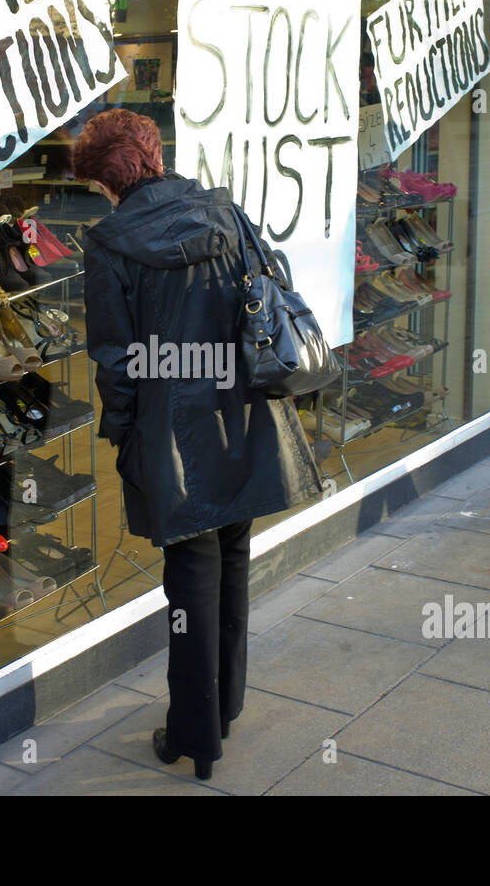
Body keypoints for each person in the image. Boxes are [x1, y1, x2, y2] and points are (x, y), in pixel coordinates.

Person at [72, 109, 322, 779]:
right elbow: (267, 296)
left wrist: (122, 433)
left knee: (189, 579)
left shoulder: (108, 244)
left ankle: (194, 734)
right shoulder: (225, 212)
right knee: (233, 559)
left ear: (106, 179)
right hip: (239, 413)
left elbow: (116, 360)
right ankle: (225, 707)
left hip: (170, 430)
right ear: (152, 155)